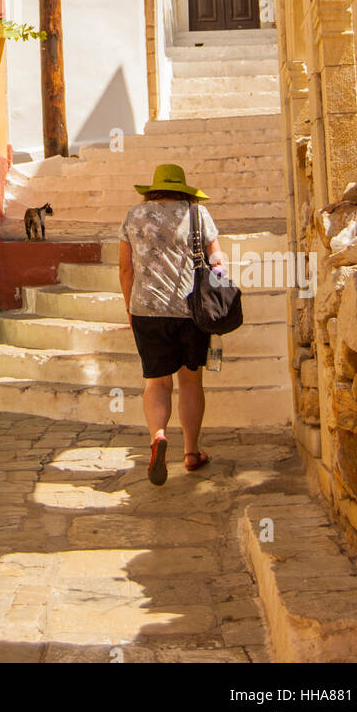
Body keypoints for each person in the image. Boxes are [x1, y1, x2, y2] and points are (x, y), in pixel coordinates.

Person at [118, 163, 225, 486]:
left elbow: (125, 269)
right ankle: (192, 452)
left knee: (156, 383)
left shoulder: (133, 216)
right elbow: (218, 261)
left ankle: (159, 436)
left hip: (147, 311)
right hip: (192, 311)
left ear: (152, 189)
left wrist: (129, 307)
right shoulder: (197, 214)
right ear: (184, 189)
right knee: (191, 382)